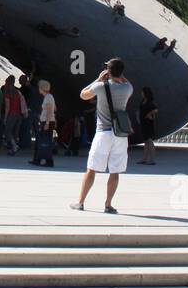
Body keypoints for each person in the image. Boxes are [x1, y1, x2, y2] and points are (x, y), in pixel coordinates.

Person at [72, 58, 134, 213]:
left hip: (103, 132)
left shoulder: (100, 87)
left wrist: (98, 78)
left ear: (108, 70)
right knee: (115, 171)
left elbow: (82, 95)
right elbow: (127, 82)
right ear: (122, 71)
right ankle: (108, 204)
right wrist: (120, 75)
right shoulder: (127, 88)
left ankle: (80, 202)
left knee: (91, 168)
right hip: (120, 134)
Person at [32, 80, 57, 167]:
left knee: (46, 142)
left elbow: (50, 111)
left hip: (48, 122)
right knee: (43, 141)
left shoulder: (48, 97)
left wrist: (47, 123)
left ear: (42, 88)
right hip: (47, 121)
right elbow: (54, 109)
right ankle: (38, 159)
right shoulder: (48, 97)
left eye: (39, 87)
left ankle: (49, 161)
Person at [1, 75, 24, 156]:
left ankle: (14, 146)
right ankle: (13, 148)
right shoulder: (18, 92)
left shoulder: (8, 92)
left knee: (7, 132)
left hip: (11, 114)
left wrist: (5, 117)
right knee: (15, 132)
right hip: (19, 115)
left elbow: (7, 106)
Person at [136, 86, 157, 165]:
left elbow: (155, 109)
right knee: (146, 141)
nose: (141, 93)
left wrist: (149, 114)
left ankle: (152, 159)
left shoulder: (150, 101)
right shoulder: (143, 101)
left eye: (142, 92)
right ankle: (144, 159)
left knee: (149, 141)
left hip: (148, 123)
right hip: (143, 123)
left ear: (145, 93)